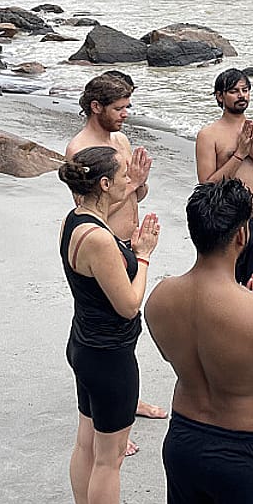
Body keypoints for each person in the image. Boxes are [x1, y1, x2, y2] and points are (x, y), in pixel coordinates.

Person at [144, 179, 253, 504]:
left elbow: (176, 356)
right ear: (242, 235)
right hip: (241, 454)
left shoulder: (159, 299)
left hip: (183, 442)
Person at [58, 146, 162, 504]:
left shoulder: (75, 220)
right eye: (123, 177)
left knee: (86, 443)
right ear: (104, 184)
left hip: (84, 344)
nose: (129, 182)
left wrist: (128, 250)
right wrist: (145, 255)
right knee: (110, 458)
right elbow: (129, 305)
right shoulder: (99, 239)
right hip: (109, 357)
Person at [68, 72, 167, 425]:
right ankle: (109, 418)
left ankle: (126, 399)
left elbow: (135, 194)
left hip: (129, 241)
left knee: (127, 334)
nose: (126, 113)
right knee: (104, 327)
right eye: (119, 108)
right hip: (103, 247)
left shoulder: (122, 140)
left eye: (127, 107)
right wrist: (134, 184)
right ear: (96, 107)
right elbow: (92, 210)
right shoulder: (80, 150)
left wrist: (140, 185)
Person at [195, 68, 253, 286]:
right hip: (225, 220)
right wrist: (239, 154)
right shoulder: (209, 135)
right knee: (222, 283)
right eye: (234, 91)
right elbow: (206, 185)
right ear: (220, 96)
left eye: (245, 90)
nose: (242, 95)